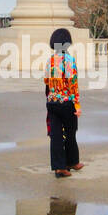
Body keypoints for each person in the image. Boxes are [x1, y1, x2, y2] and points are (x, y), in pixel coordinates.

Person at [44, 28, 83, 179]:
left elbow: (46, 81)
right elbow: (73, 85)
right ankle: (71, 161)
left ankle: (59, 166)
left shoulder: (50, 60)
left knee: (56, 135)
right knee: (71, 132)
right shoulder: (69, 60)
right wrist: (77, 105)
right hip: (67, 102)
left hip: (52, 102)